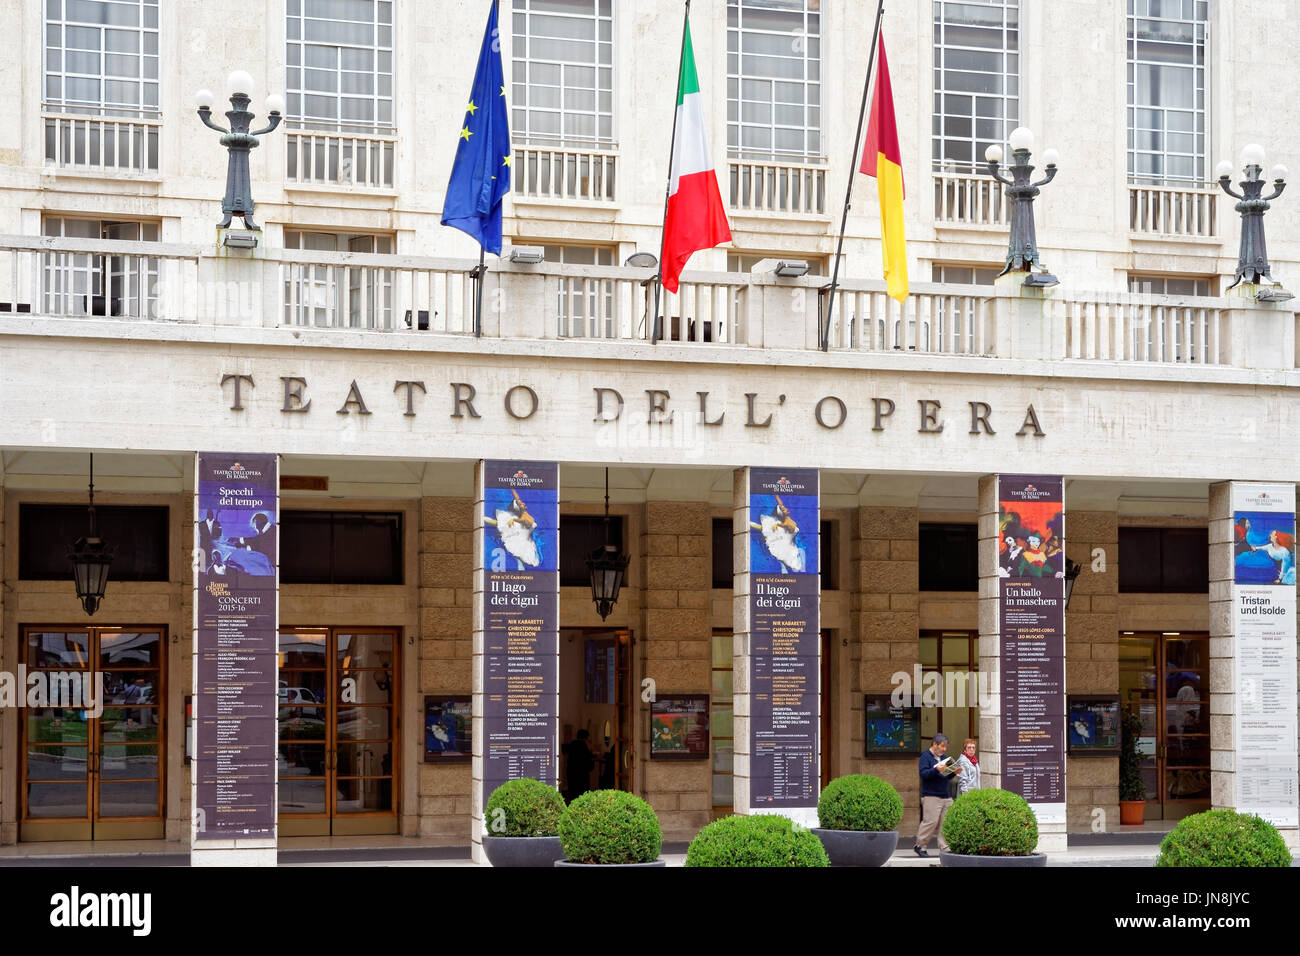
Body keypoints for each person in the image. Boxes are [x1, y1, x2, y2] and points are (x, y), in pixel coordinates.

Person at [915, 732, 956, 857]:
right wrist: (935, 770)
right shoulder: (925, 757)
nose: (944, 749)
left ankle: (945, 847)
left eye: (945, 747)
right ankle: (920, 845)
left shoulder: (945, 758)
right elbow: (924, 774)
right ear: (935, 744)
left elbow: (948, 777)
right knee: (930, 821)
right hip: (931, 795)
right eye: (942, 746)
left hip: (945, 795)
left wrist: (955, 771)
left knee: (946, 822)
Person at [563, 729, 595, 801]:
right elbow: (587, 760)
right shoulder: (583, 745)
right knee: (581, 794)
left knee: (573, 793)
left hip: (571, 772)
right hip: (581, 774)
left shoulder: (572, 744)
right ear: (586, 737)